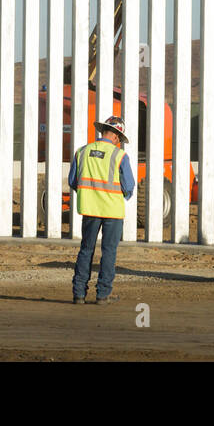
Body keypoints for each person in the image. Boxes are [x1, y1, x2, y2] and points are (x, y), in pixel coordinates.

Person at [69, 115, 135, 305]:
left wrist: (90, 194)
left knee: (86, 249)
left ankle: (79, 293)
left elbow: (73, 181)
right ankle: (102, 295)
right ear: (116, 136)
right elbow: (128, 186)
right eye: (120, 140)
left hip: (89, 209)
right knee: (109, 252)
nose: (120, 144)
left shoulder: (81, 152)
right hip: (112, 211)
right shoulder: (119, 156)